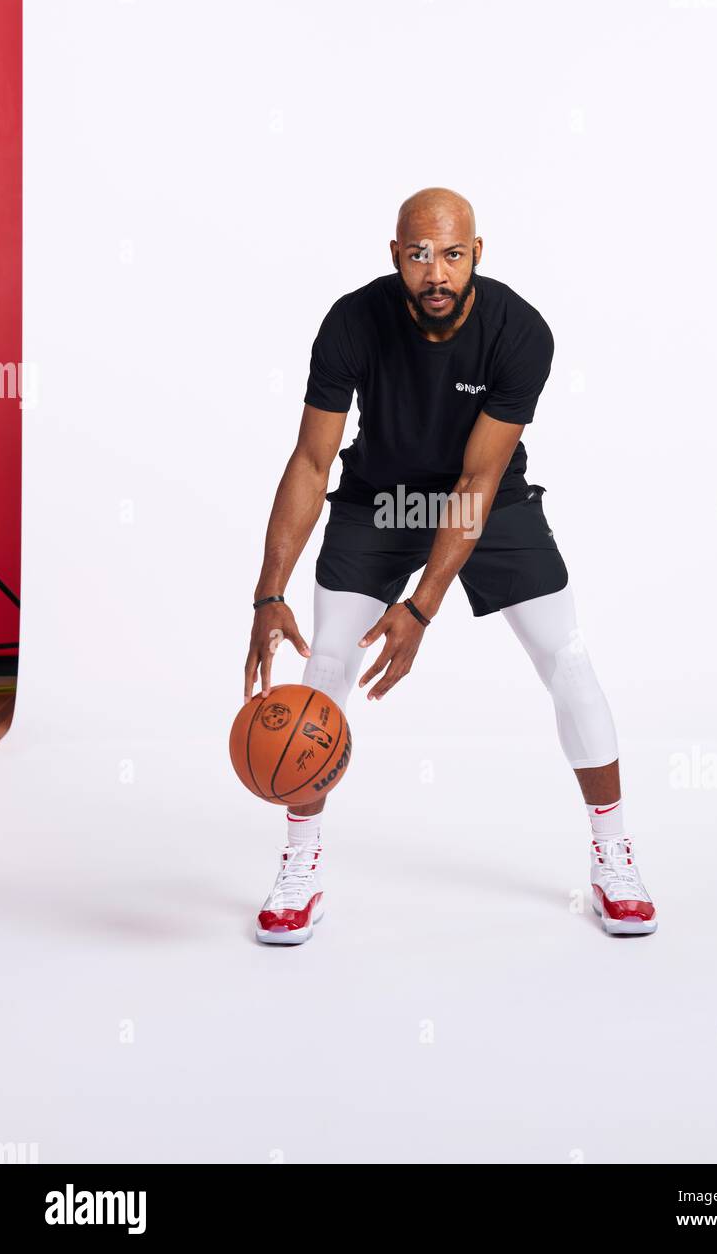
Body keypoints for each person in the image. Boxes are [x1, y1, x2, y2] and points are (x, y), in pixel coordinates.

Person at [244, 187, 657, 945]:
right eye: (419, 254)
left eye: (453, 254)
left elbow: (475, 484)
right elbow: (310, 459)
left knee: (566, 655)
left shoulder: (519, 331)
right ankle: (300, 865)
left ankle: (613, 856)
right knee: (327, 661)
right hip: (379, 496)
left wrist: (423, 606)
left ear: (477, 254)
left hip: (487, 498)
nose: (436, 272)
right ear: (396, 255)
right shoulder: (351, 321)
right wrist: (268, 592)